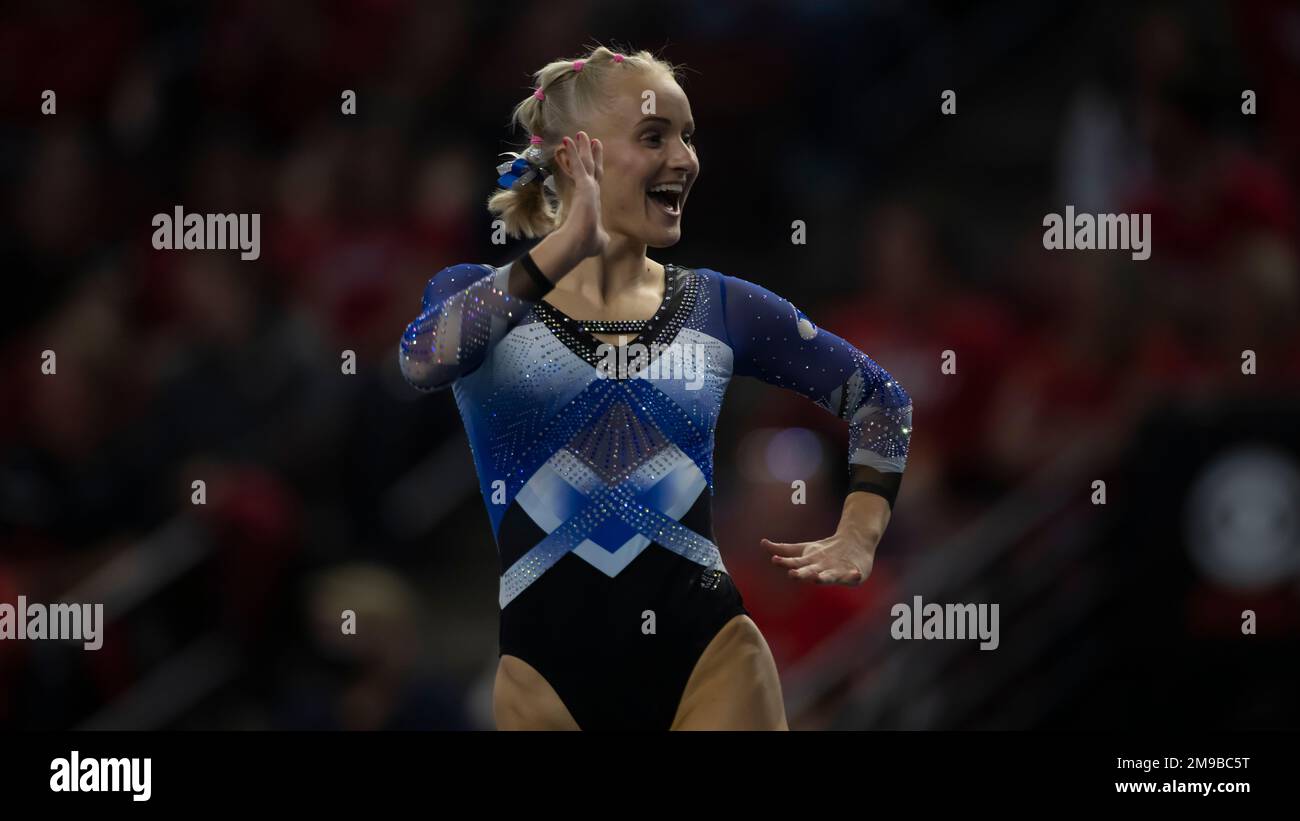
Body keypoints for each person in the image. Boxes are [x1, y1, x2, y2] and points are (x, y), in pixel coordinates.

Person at [399, 45, 912, 730]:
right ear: (573, 156)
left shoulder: (718, 307)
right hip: (544, 681)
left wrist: (859, 530)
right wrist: (562, 248)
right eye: (654, 136)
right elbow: (421, 358)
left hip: (711, 658)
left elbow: (882, 399)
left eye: (688, 136)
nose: (684, 158)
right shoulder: (478, 295)